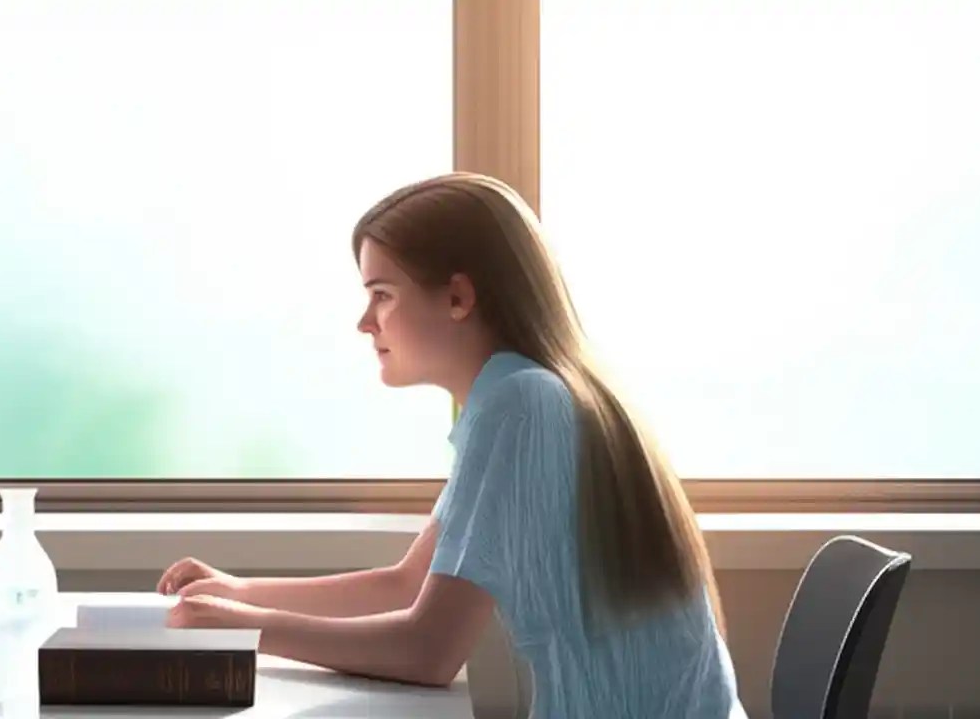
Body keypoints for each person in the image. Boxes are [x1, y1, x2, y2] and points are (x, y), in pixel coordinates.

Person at [157, 172, 748, 718]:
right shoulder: (525, 395)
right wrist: (239, 594)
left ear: (458, 298)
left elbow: (428, 652)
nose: (366, 321)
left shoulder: (521, 405)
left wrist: (249, 628)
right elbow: (409, 582)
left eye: (382, 294)